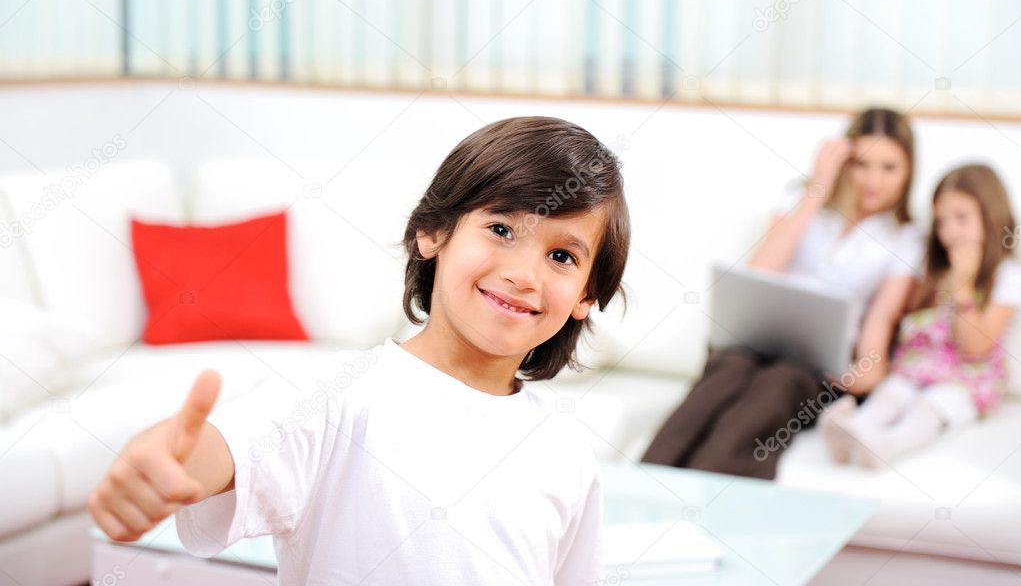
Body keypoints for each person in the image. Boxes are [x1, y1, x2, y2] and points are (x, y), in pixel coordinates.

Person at [87, 116, 632, 585]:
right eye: (500, 229)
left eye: (561, 256)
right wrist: (164, 459)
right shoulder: (337, 396)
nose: (522, 274)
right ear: (432, 234)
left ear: (586, 294)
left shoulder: (566, 453)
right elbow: (226, 450)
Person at [642, 108, 925, 479]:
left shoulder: (905, 238)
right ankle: (644, 488)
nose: (874, 180)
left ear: (909, 172)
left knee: (779, 383)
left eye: (890, 167)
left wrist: (865, 373)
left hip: (817, 372)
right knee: (729, 370)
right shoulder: (799, 199)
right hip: (753, 346)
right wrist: (816, 192)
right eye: (862, 164)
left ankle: (708, 504)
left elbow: (880, 320)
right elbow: (761, 273)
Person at [822, 164, 1021, 467]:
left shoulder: (1006, 276)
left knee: (931, 407)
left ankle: (887, 445)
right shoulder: (931, 269)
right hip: (918, 368)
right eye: (941, 221)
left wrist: (963, 286)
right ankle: (855, 428)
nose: (949, 231)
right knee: (892, 393)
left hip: (967, 381)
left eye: (961, 218)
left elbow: (975, 347)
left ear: (991, 215)